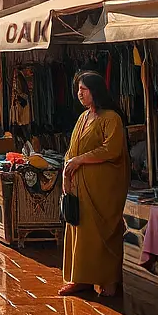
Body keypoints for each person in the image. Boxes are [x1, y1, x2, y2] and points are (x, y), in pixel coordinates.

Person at [59, 71, 128, 298]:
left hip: (102, 189)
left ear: (95, 91)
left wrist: (80, 160)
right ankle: (81, 279)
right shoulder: (82, 118)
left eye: (84, 89)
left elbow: (112, 149)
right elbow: (71, 150)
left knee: (103, 233)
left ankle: (108, 279)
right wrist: (66, 174)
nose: (79, 94)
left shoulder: (111, 118)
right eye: (78, 89)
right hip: (80, 188)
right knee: (81, 231)